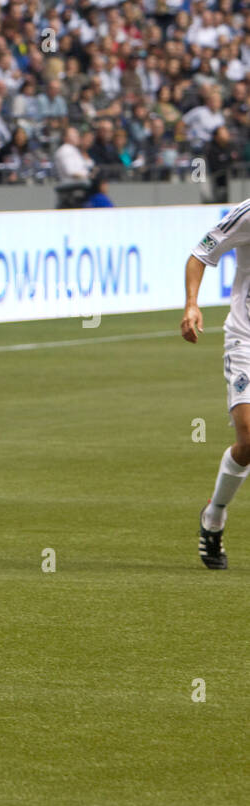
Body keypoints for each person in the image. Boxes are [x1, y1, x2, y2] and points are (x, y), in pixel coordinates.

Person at [181, 197, 250, 569]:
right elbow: (200, 253)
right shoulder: (248, 213)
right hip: (246, 339)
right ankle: (215, 515)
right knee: (248, 439)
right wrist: (192, 304)